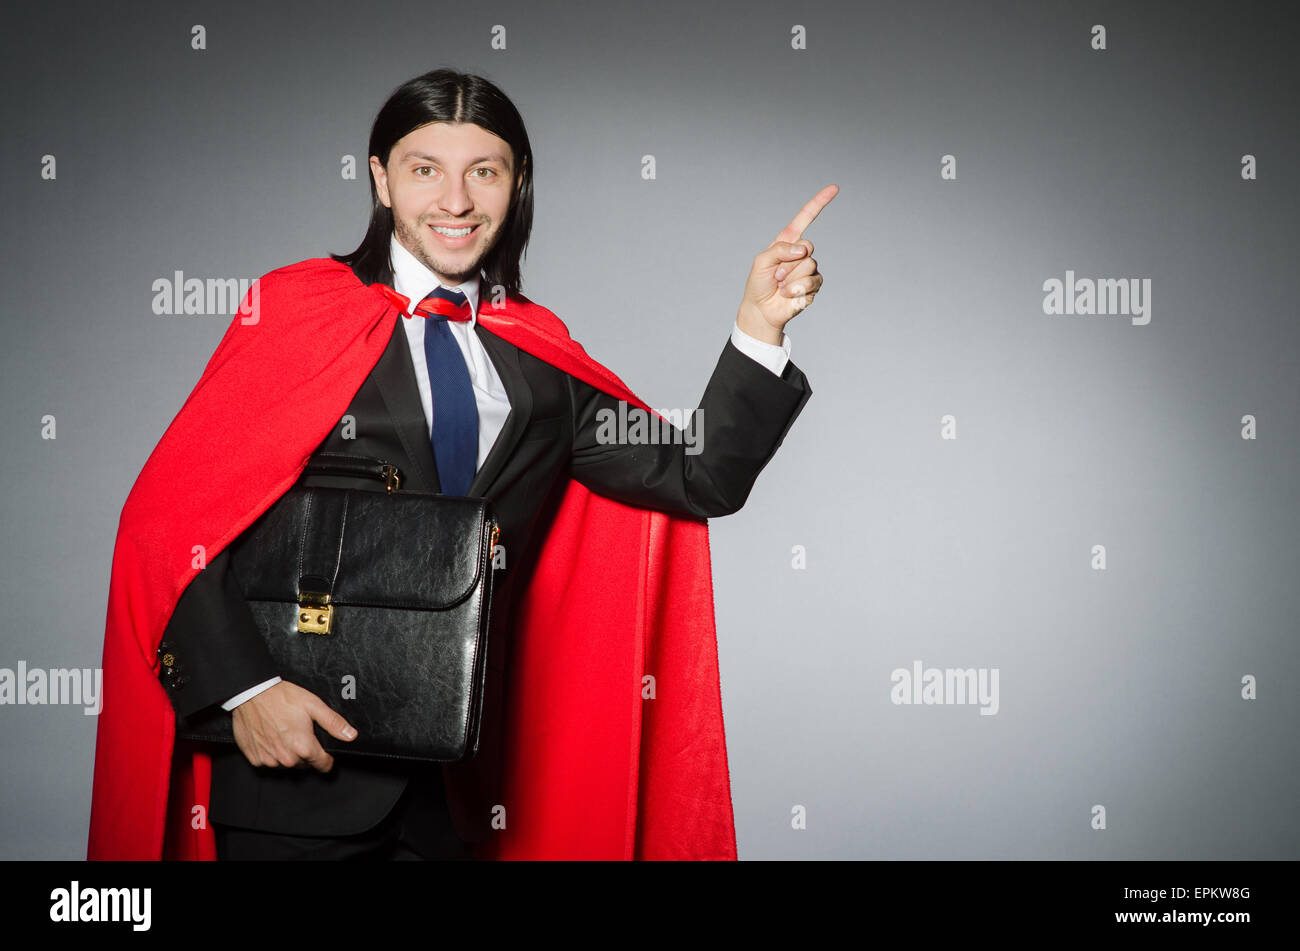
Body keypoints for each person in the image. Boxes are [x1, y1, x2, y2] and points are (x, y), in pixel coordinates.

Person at [88, 67, 834, 861]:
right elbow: (170, 525)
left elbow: (697, 474)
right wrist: (246, 690)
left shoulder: (541, 362)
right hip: (293, 782)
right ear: (380, 180)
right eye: (424, 170)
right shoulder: (298, 313)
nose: (455, 201)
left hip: (462, 800)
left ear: (517, 186)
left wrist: (759, 326)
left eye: (484, 171)